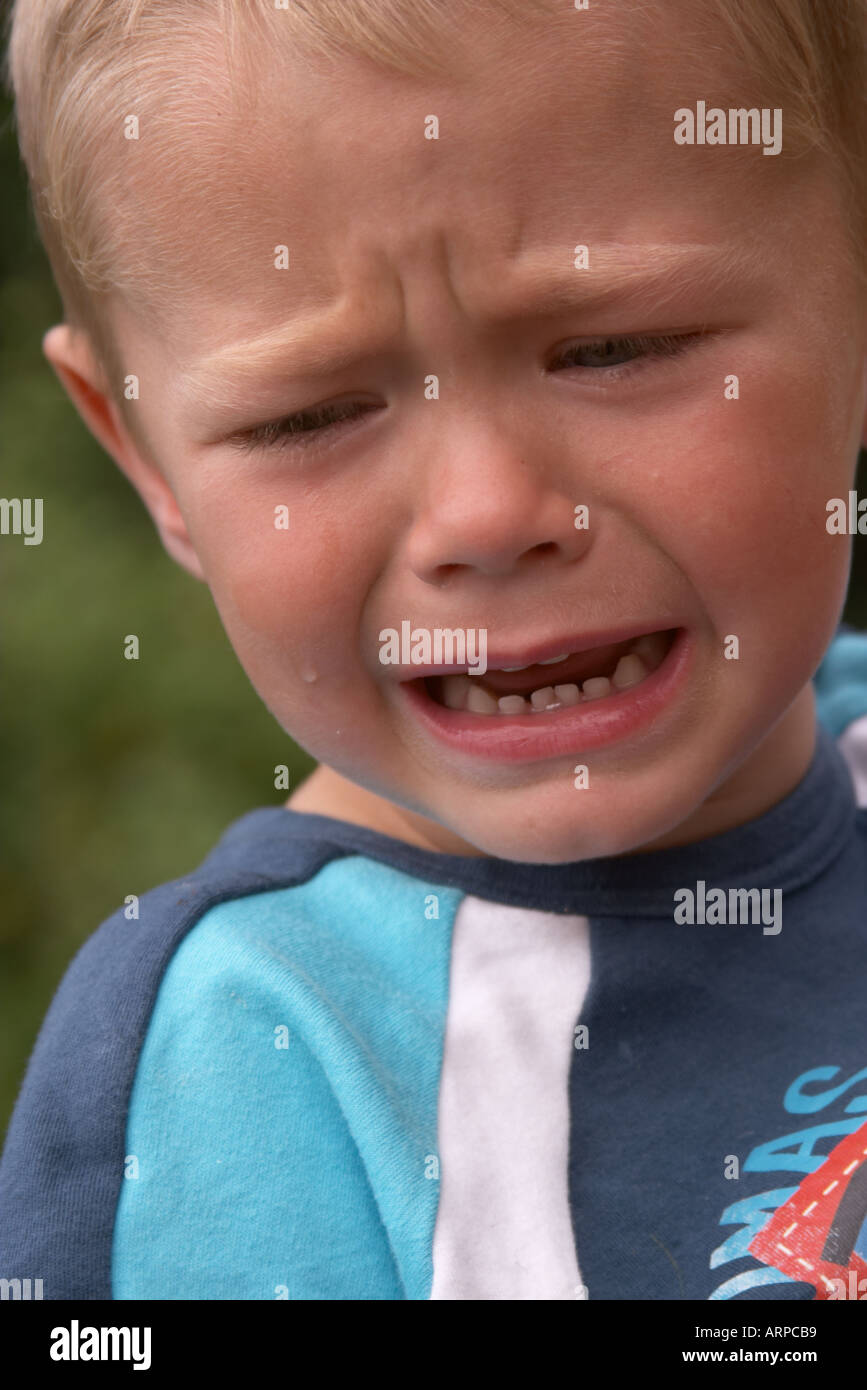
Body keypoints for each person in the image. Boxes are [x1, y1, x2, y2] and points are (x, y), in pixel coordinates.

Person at [3, 0, 867, 1300]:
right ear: (148, 464)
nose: (487, 514)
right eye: (313, 414)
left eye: (617, 348)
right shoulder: (252, 1066)